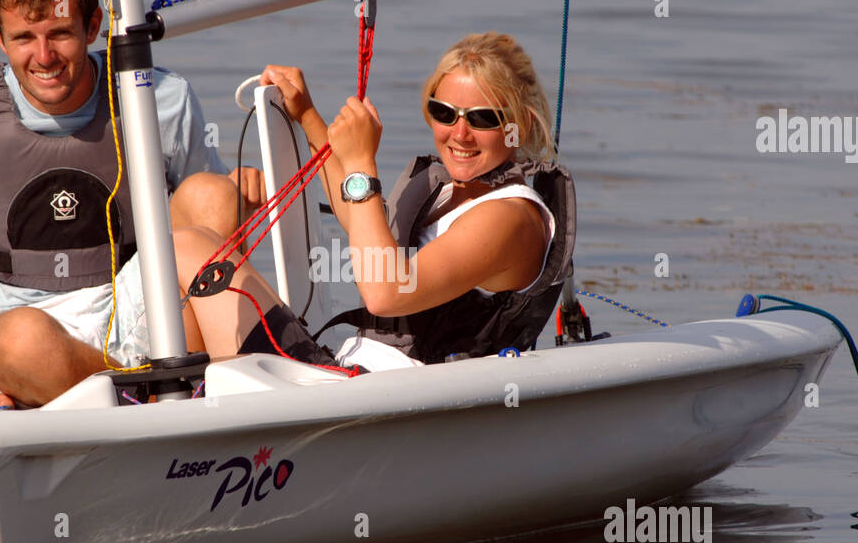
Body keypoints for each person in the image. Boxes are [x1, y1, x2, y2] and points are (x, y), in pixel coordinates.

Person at [0, 0, 264, 409]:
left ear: (93, 27)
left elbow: (207, 228)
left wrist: (243, 193)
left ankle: (232, 394)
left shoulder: (160, 97)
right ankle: (150, 393)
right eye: (23, 38)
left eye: (60, 33)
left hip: (142, 305)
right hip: (26, 326)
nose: (44, 56)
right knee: (20, 342)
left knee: (214, 193)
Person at [170, 32, 575, 370]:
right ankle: (184, 402)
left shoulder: (511, 217)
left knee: (187, 247)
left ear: (516, 124)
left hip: (390, 401)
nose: (460, 134)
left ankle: (181, 410)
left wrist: (363, 162)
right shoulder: (455, 191)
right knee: (189, 240)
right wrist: (309, 117)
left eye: (482, 118)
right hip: (349, 377)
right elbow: (361, 222)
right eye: (444, 112)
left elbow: (385, 292)